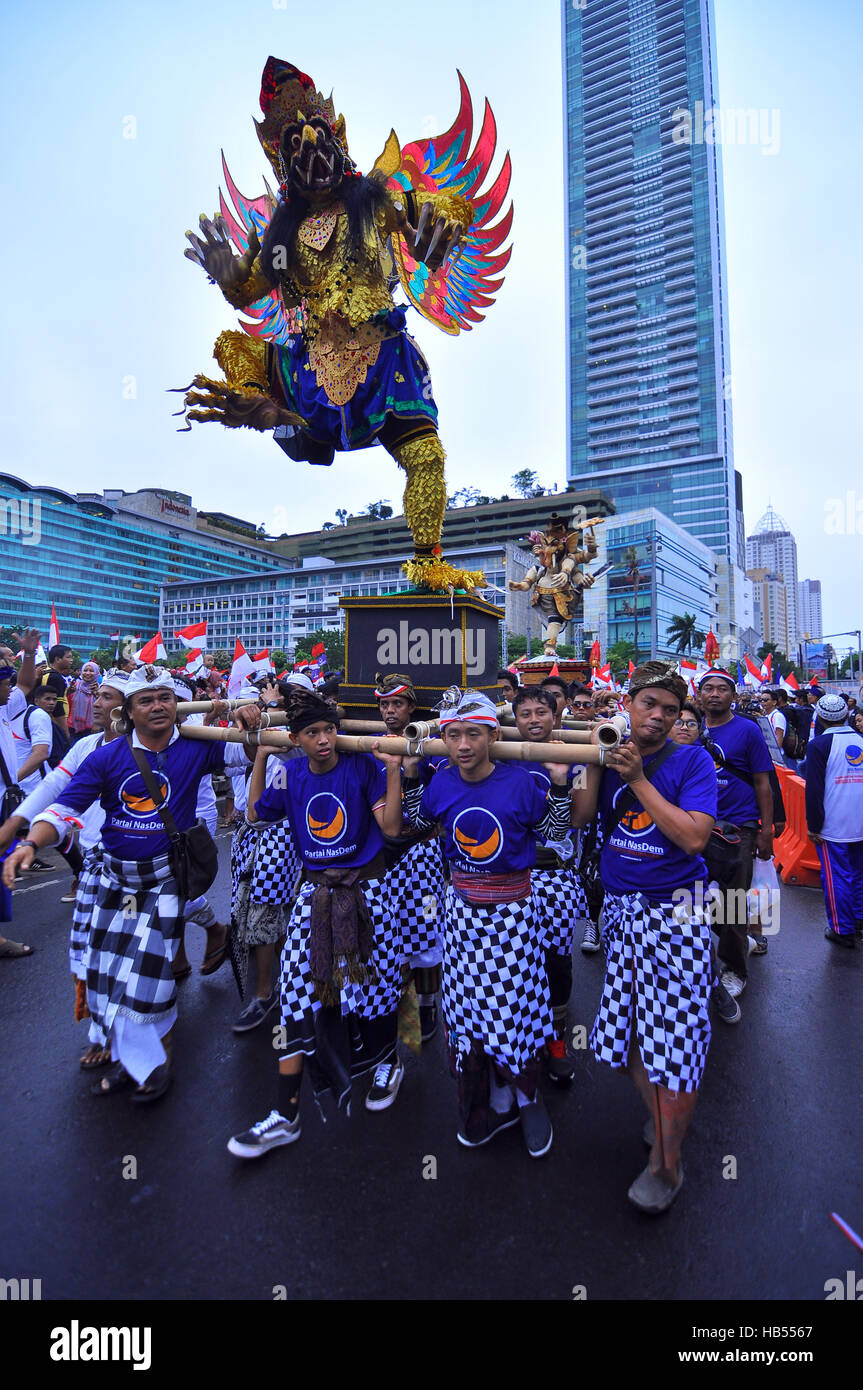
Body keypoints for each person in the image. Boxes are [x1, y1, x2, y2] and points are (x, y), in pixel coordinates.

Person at [3, 665, 239, 1101]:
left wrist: (250, 719)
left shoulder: (198, 746)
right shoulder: (105, 756)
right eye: (145, 700)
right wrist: (31, 842)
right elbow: (65, 808)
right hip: (113, 877)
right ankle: (127, 1057)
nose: (157, 707)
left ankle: (155, 1064)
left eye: (165, 697)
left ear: (177, 703)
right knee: (107, 973)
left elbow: (247, 753)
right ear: (129, 712)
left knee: (150, 977)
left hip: (164, 880)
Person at [227, 685, 406, 1158]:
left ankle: (388, 1063)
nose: (324, 739)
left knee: (378, 986)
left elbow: (389, 831)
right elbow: (253, 814)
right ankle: (285, 1115)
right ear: (296, 738)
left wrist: (391, 772)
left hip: (369, 891)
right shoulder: (288, 772)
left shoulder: (361, 765)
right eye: (312, 732)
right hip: (314, 894)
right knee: (298, 998)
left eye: (329, 729)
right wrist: (263, 756)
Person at [571, 661, 717, 1214]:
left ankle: (667, 1166)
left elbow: (694, 839)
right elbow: (583, 819)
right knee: (632, 1034)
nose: (657, 717)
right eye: (648, 704)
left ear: (681, 716)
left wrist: (636, 778)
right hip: (621, 913)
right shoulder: (609, 749)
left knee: (674, 1046)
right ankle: (663, 1124)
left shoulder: (692, 760)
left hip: (677, 914)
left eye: (670, 709)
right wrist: (591, 760)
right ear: (628, 703)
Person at [402, 690, 572, 1157]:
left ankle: (529, 1099)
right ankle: (494, 1103)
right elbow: (419, 820)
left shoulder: (519, 782)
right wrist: (413, 773)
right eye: (452, 734)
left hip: (513, 918)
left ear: (493, 735)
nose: (461, 745)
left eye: (472, 734)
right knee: (472, 1017)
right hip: (459, 915)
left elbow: (555, 834)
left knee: (514, 1012)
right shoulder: (442, 782)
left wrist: (558, 783)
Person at [511, 685, 587, 1084]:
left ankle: (556, 1041)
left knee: (555, 960)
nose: (535, 720)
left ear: (556, 716)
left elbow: (578, 819)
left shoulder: (573, 756)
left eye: (543, 712)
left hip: (555, 873)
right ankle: (520, 1042)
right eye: (525, 714)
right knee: (514, 964)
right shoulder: (502, 754)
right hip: (511, 876)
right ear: (515, 720)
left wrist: (582, 766)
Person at [373, 671, 446, 1042]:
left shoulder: (435, 745)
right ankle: (404, 1006)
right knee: (393, 934)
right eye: (384, 704)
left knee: (429, 934)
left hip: (424, 857)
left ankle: (430, 1003)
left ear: (412, 707)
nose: (389, 711)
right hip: (386, 857)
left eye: (397, 703)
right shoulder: (368, 745)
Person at [697, 669, 775, 1005]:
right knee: (690, 900)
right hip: (693, 826)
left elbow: (763, 782)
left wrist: (766, 830)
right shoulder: (688, 727)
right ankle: (699, 962)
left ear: (733, 694)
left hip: (737, 829)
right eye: (708, 688)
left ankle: (733, 969)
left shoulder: (748, 730)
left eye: (722, 689)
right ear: (698, 694)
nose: (714, 694)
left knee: (731, 905)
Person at [805, 693, 863, 948]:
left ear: (820, 717)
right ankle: (859, 918)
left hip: (834, 825)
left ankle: (842, 929)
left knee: (837, 877)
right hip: (859, 821)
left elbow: (814, 789)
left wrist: (814, 825)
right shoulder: (860, 739)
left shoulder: (819, 745)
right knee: (859, 873)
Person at [0, 631, 41, 957]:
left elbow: (25, 685)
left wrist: (27, 655)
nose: (11, 687)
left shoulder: (5, 704)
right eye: (4, 680)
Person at [68, 662, 101, 740]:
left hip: (92, 729)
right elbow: (68, 704)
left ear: (96, 673)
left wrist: (97, 724)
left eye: (91, 671)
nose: (88, 673)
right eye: (85, 670)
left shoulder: (101, 689)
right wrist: (69, 692)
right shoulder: (74, 686)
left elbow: (102, 709)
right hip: (73, 727)